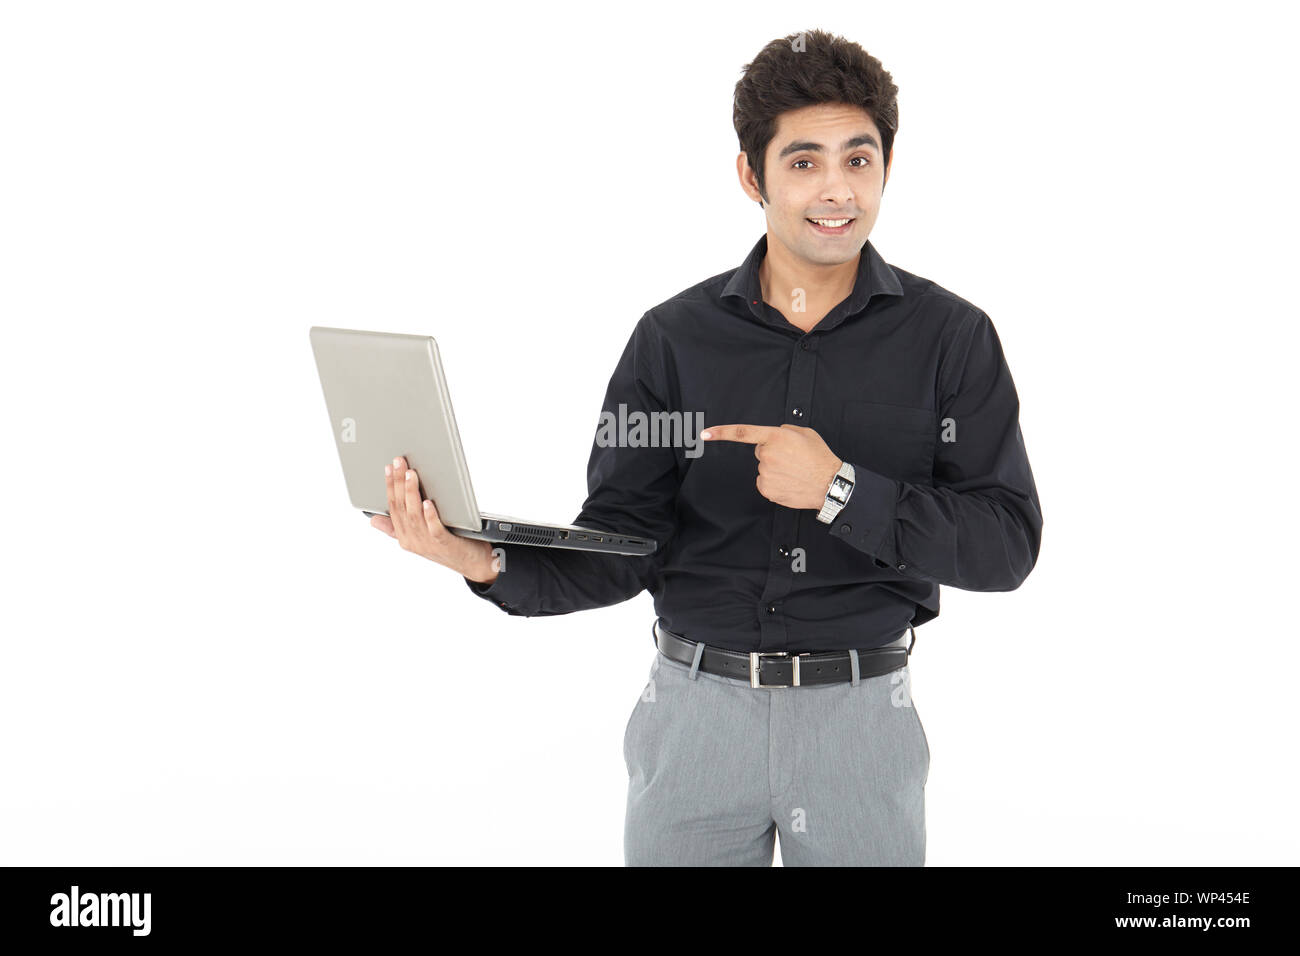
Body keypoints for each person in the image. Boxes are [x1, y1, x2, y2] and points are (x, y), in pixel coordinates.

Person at [370, 28, 1043, 866]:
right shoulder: (671, 340)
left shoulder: (953, 338)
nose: (836, 190)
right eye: (803, 163)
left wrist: (840, 488)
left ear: (887, 168)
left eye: (857, 160)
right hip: (694, 724)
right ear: (750, 175)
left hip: (861, 727)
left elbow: (1006, 545)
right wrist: (481, 560)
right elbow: (622, 547)